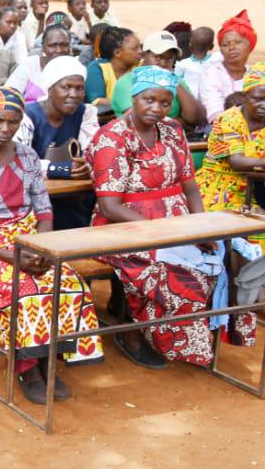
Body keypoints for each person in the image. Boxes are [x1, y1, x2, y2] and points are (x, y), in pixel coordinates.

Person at [88, 64, 255, 368]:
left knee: (223, 260)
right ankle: (134, 334)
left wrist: (200, 229)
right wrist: (166, 235)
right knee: (179, 275)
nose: (157, 109)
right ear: (134, 98)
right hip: (124, 227)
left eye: (165, 103)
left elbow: (190, 187)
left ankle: (194, 339)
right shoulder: (111, 138)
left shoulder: (173, 130)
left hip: (176, 222)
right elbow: (111, 206)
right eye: (148, 100)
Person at [0, 87, 102, 403]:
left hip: (29, 238)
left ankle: (49, 357)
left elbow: (44, 209)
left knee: (69, 283)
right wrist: (13, 256)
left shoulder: (29, 156)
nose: (5, 129)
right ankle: (27, 366)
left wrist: (41, 246)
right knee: (23, 289)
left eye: (12, 122)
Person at [14, 56, 98, 229]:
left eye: (79, 88)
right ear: (50, 88)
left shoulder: (86, 113)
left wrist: (86, 165)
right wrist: (61, 169)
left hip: (74, 196)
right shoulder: (28, 116)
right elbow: (20, 161)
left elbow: (93, 151)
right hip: (34, 197)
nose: (74, 95)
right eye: (66, 87)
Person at [195, 63, 265, 243]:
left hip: (257, 190)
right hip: (221, 190)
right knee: (241, 238)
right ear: (245, 96)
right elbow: (237, 161)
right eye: (258, 98)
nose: (263, 105)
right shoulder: (229, 119)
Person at [109, 30, 205, 128]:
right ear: (143, 55)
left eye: (169, 59)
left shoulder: (176, 80)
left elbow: (195, 118)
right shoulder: (128, 82)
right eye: (158, 57)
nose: (163, 64)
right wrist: (182, 123)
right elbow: (143, 123)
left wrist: (174, 83)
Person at [201, 10, 256, 121]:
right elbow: (214, 114)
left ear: (250, 45)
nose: (231, 47)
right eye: (225, 44)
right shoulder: (212, 73)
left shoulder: (256, 74)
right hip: (222, 129)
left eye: (238, 42)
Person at [85, 26, 141, 110]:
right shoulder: (97, 68)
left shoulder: (140, 65)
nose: (140, 51)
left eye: (140, 47)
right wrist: (132, 103)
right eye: (135, 49)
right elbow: (97, 102)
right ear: (117, 53)